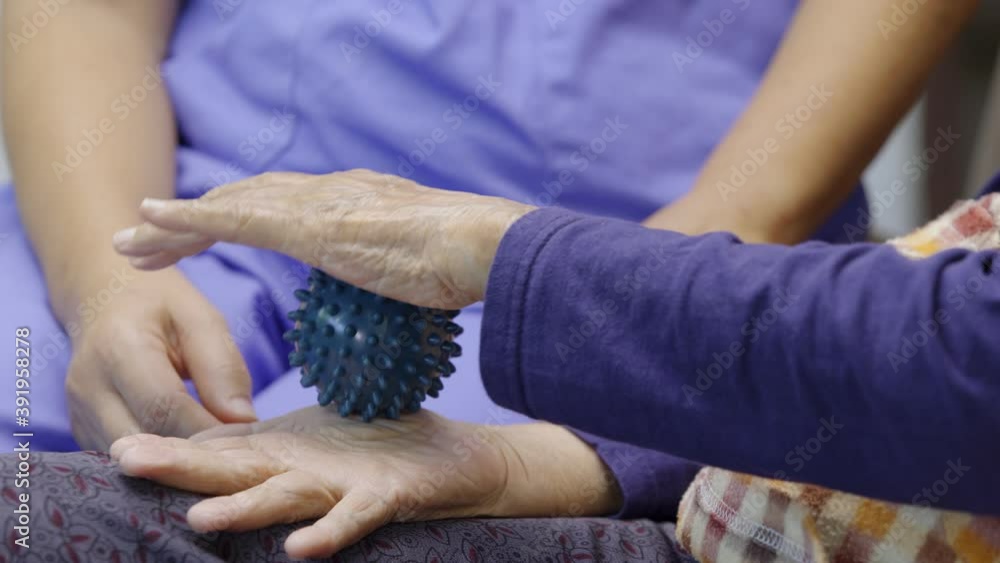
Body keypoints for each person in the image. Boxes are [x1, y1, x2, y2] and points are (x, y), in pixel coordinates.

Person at [78, 166, 1000, 559]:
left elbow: (966, 361)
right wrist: (536, 461)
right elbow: (918, 309)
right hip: (679, 470)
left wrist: (498, 253)